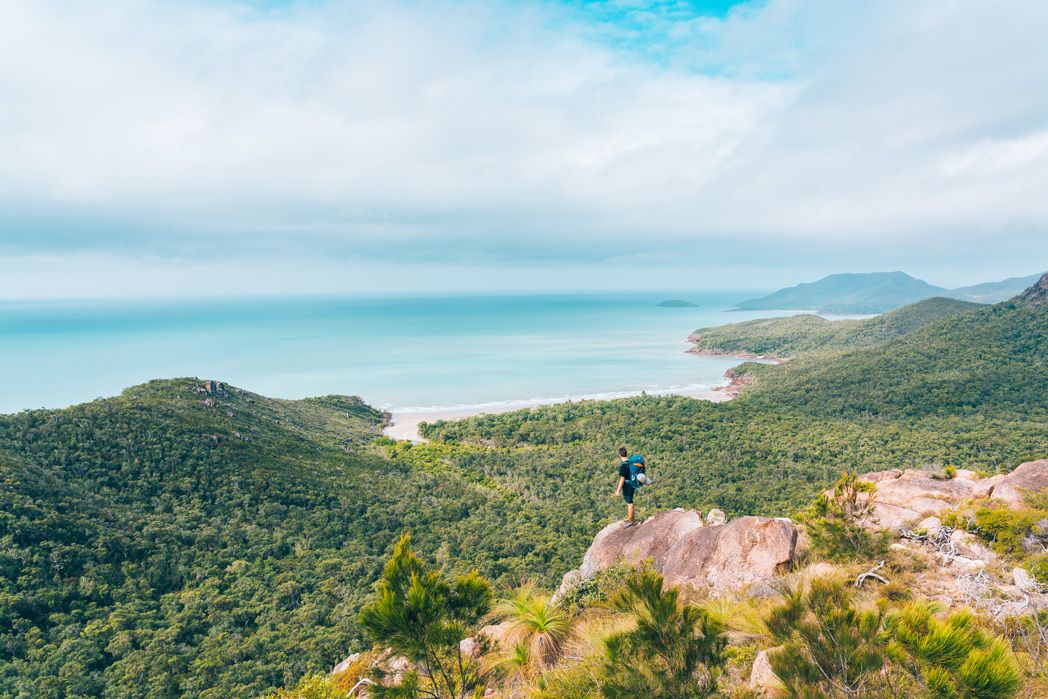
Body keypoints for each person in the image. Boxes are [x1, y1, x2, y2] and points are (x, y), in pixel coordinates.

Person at [614, 447, 650, 527]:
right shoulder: (630, 463)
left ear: (620, 455)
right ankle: (630, 518)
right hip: (633, 483)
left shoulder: (623, 465)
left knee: (629, 502)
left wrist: (618, 490)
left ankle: (630, 521)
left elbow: (622, 479)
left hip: (627, 485)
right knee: (630, 501)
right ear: (626, 453)